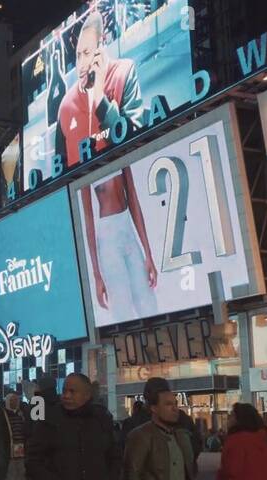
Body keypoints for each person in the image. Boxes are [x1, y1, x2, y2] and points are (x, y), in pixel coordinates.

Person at [54, 10, 143, 168]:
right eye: (78, 55)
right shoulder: (65, 106)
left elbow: (137, 142)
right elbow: (59, 171)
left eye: (86, 53)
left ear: (100, 48)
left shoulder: (124, 72)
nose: (80, 65)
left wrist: (99, 97)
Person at [81, 164, 157, 324]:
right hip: (108, 238)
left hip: (127, 228)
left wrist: (148, 255)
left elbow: (133, 197)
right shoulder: (85, 161)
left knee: (148, 303)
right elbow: (89, 221)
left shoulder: (118, 150)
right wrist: (97, 276)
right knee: (122, 310)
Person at [0, 392, 30, 480]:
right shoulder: (2, 413)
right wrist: (1, 447)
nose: (15, 402)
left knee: (21, 470)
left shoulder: (21, 413)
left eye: (16, 400)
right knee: (11, 471)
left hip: (21, 447)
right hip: (9, 447)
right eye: (12, 400)